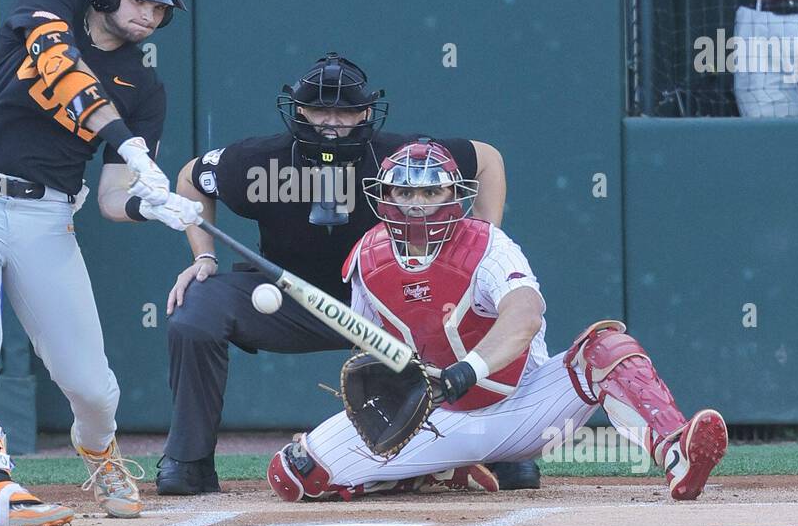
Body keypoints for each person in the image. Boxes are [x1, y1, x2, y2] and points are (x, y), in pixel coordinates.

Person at [156, 53, 540, 494]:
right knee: (196, 310)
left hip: (397, 303)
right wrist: (203, 257)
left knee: (474, 306)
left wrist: (481, 239)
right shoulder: (257, 162)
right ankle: (188, 460)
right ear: (299, 111)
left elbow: (486, 158)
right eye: (321, 109)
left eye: (346, 110)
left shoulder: (402, 156)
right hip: (290, 299)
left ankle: (507, 451)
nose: (332, 122)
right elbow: (190, 179)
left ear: (366, 113)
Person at [267, 140, 729, 502]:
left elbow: (525, 315)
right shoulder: (366, 260)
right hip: (432, 420)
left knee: (604, 347)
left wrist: (464, 372)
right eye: (404, 191)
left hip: (523, 405)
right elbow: (371, 349)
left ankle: (675, 452)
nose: (417, 204)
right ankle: (438, 471)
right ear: (384, 195)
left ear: (453, 194)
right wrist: (395, 389)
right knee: (294, 474)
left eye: (431, 191)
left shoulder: (488, 245)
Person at [0, 0, 203, 526]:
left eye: (158, 7)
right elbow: (61, 68)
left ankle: (101, 453)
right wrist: (123, 139)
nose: (147, 14)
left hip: (45, 218)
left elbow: (109, 198)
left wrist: (149, 207)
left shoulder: (145, 89)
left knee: (93, 387)